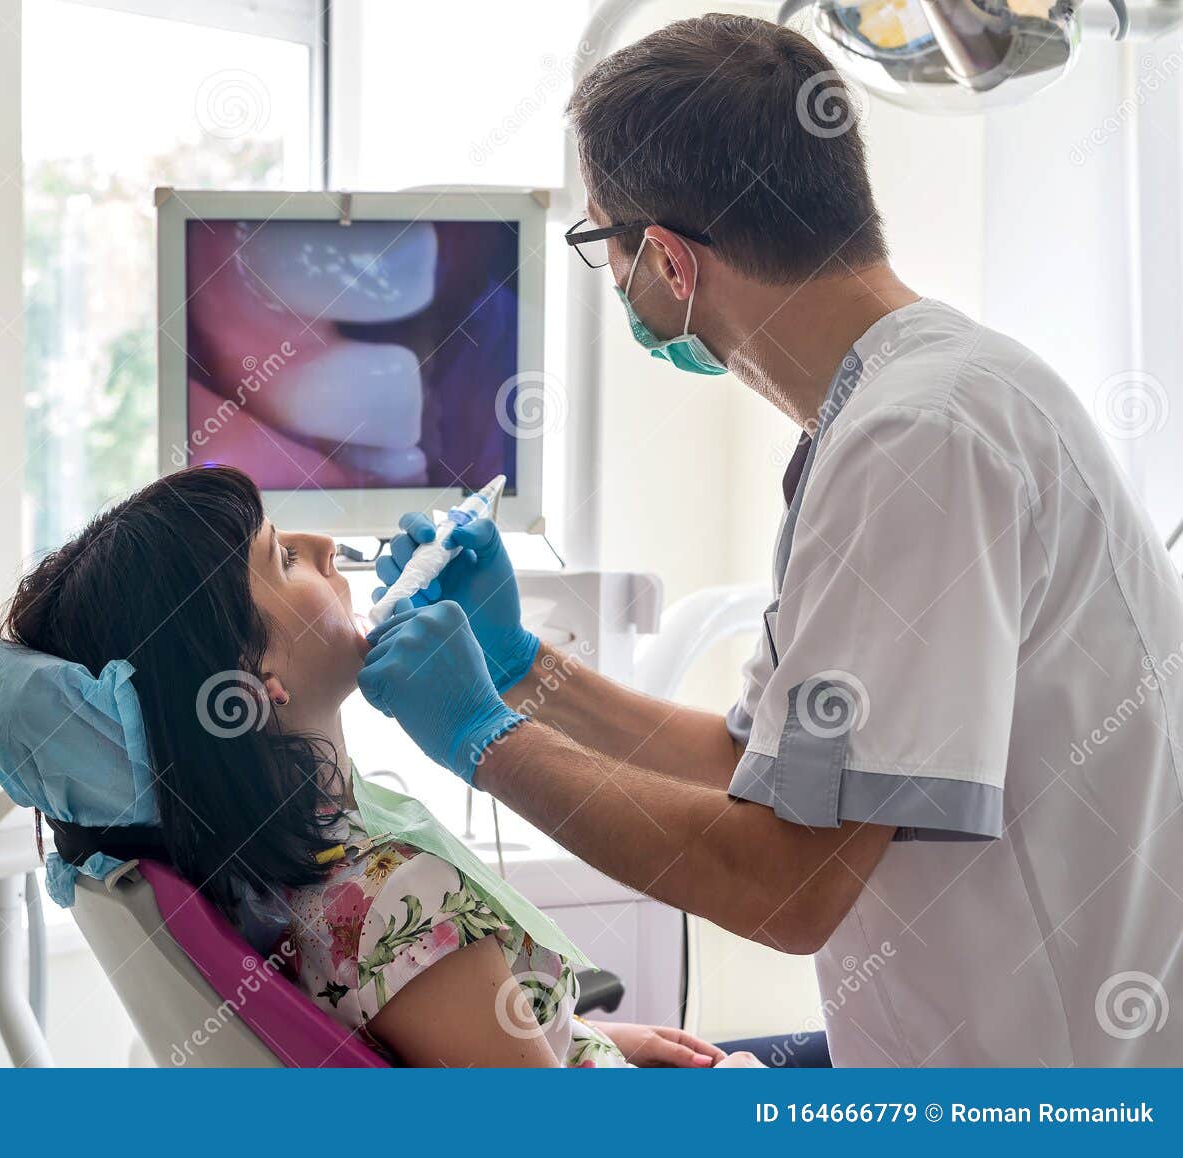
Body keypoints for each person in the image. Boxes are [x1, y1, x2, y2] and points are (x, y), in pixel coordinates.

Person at [358, 14, 1183, 1066]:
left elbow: (785, 885)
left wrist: (482, 741)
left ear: (663, 258)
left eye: (598, 243)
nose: (615, 282)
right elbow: (754, 767)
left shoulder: (917, 442)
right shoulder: (922, 401)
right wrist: (524, 673)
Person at [0, 465, 758, 1068]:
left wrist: (581, 1041)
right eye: (284, 557)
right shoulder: (397, 901)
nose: (327, 548)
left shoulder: (260, 889)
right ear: (251, 691)